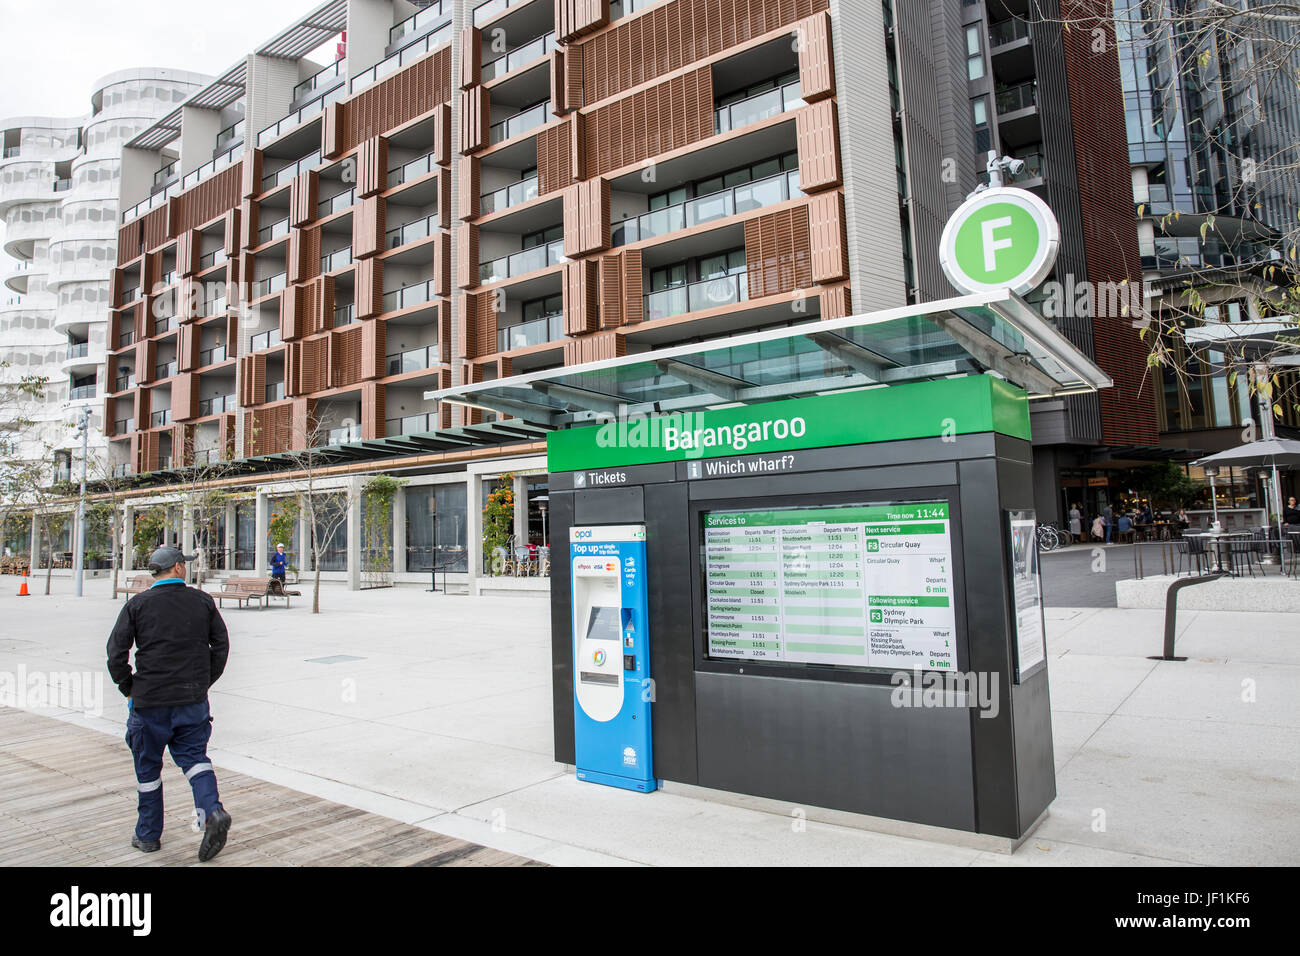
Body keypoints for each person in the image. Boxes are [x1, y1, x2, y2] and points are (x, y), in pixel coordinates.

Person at [106, 546, 232, 861]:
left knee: (148, 769)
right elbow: (221, 644)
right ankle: (211, 813)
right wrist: (204, 682)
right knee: (195, 760)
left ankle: (148, 836)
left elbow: (115, 654)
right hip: (191, 701)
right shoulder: (201, 601)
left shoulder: (137, 605)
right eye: (184, 565)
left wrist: (129, 687)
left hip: (149, 703)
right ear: (177, 568)